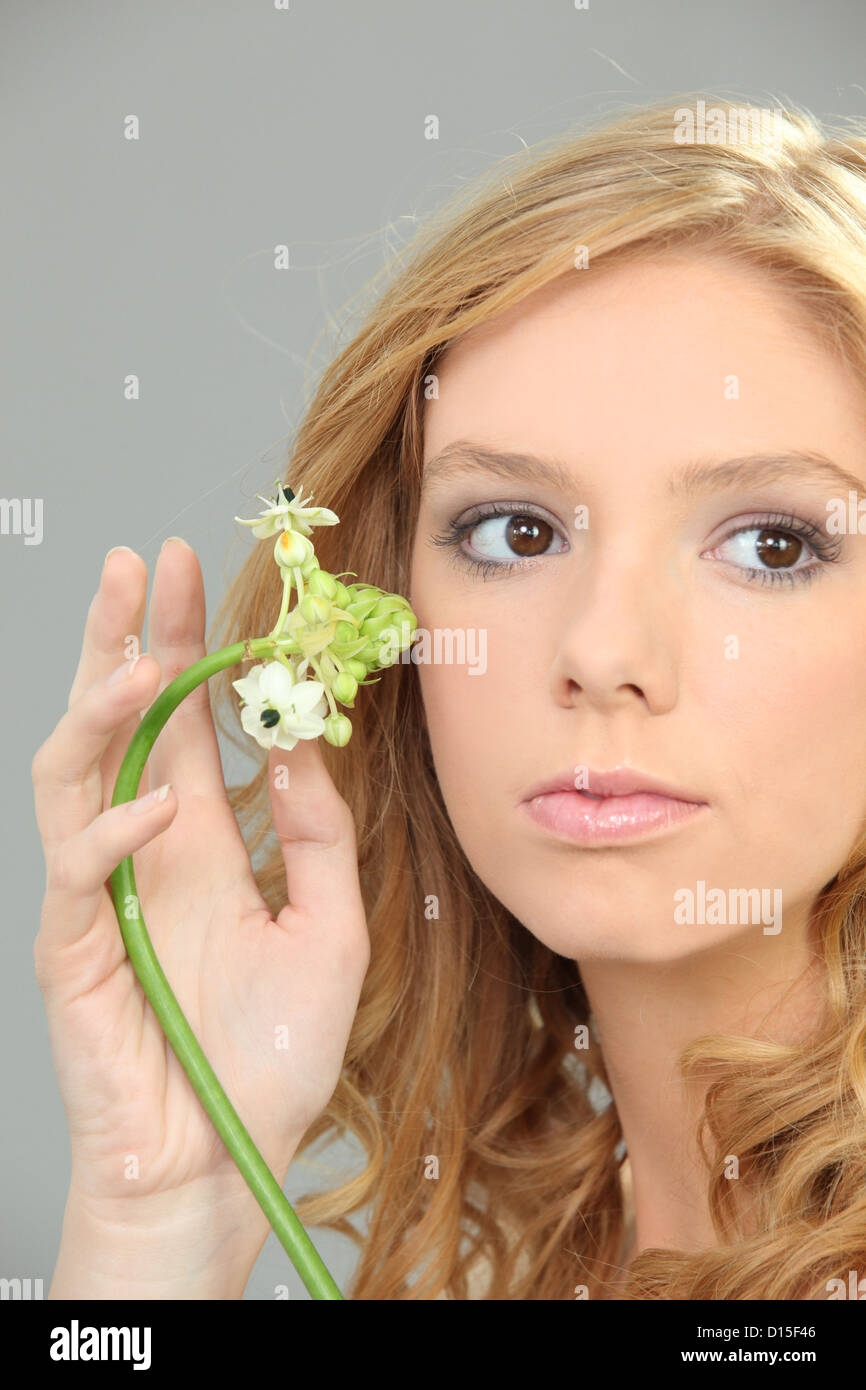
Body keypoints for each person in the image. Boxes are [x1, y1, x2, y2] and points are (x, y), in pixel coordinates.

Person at [31, 93, 866, 1300]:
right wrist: (161, 1218)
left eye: (772, 544)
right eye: (513, 529)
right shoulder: (576, 1253)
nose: (598, 649)